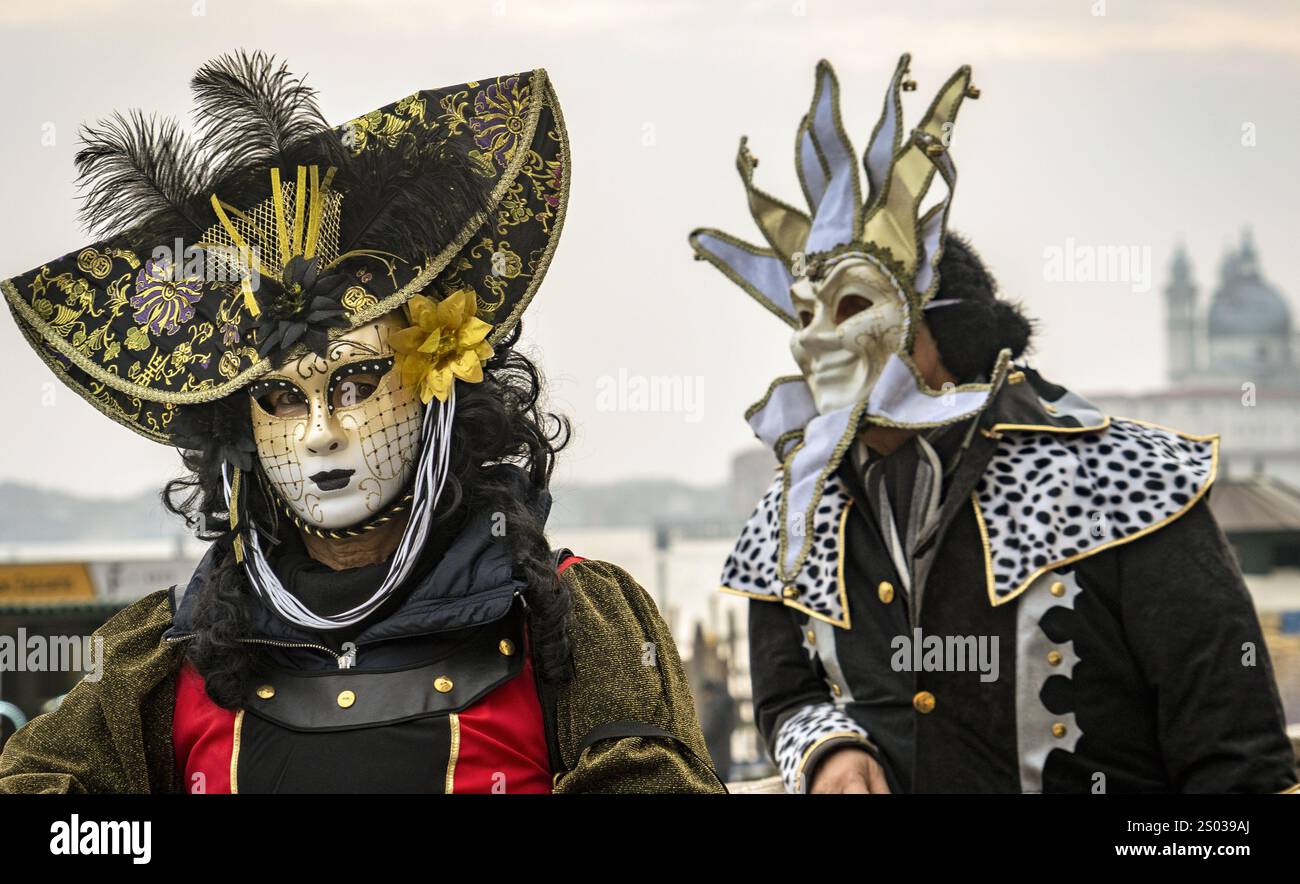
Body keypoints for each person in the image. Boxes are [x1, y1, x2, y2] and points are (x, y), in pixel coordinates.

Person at [0, 51, 722, 794]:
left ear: (434, 381)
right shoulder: (163, 661)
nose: (321, 434)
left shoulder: (568, 622)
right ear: (238, 433)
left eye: (354, 383)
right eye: (281, 400)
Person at [690, 54, 1297, 793]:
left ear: (943, 340)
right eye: (804, 314)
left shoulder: (1127, 487)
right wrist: (829, 751)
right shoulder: (796, 516)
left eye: (852, 310)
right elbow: (791, 696)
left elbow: (1239, 771)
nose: (810, 342)